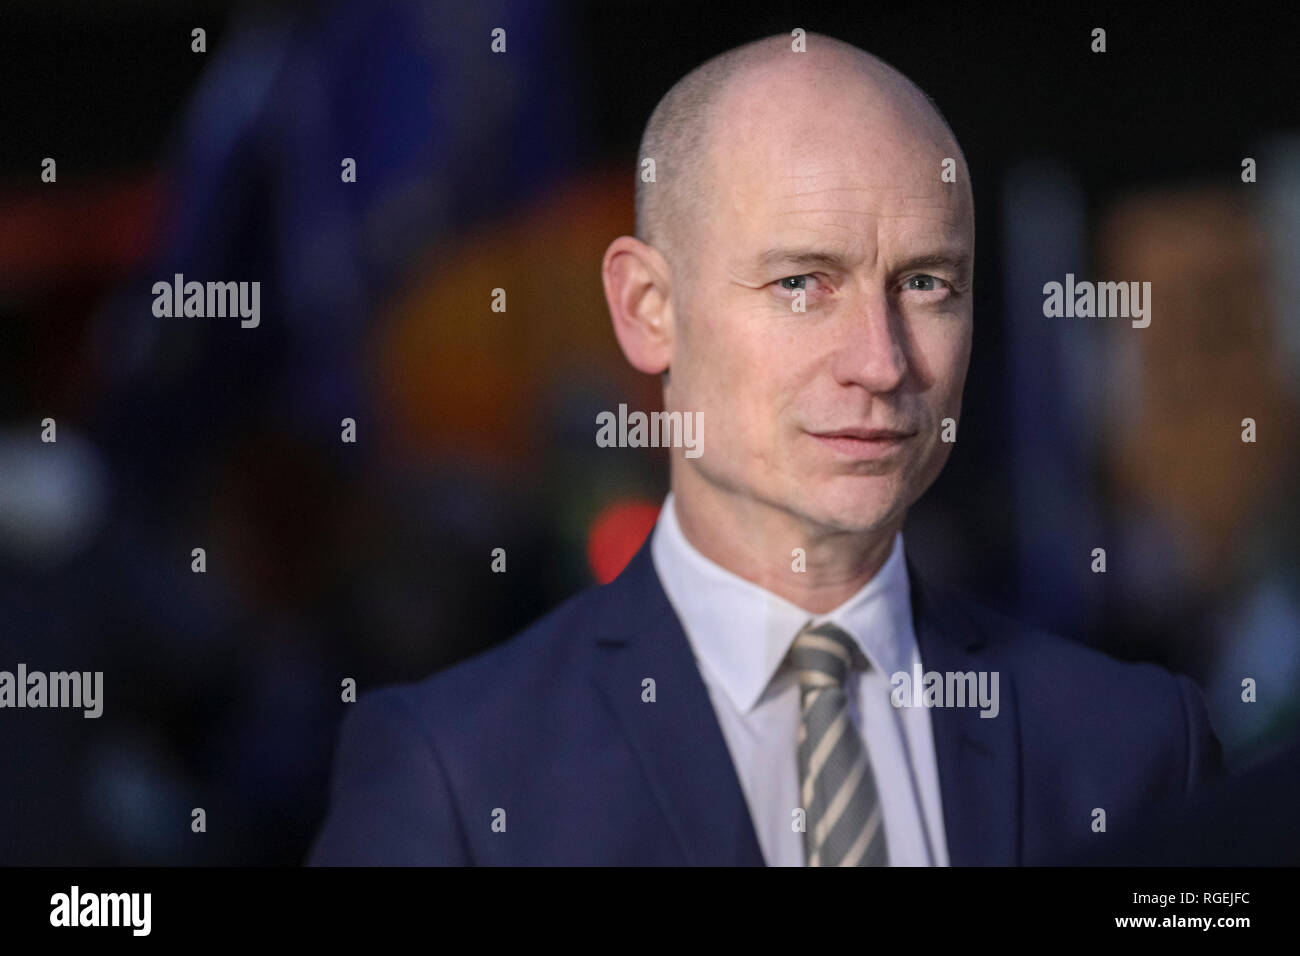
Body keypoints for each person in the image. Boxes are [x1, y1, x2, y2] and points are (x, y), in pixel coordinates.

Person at [308, 31, 1225, 866]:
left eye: (926, 284)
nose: (880, 360)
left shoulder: (1135, 746)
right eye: (801, 283)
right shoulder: (455, 773)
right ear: (646, 310)